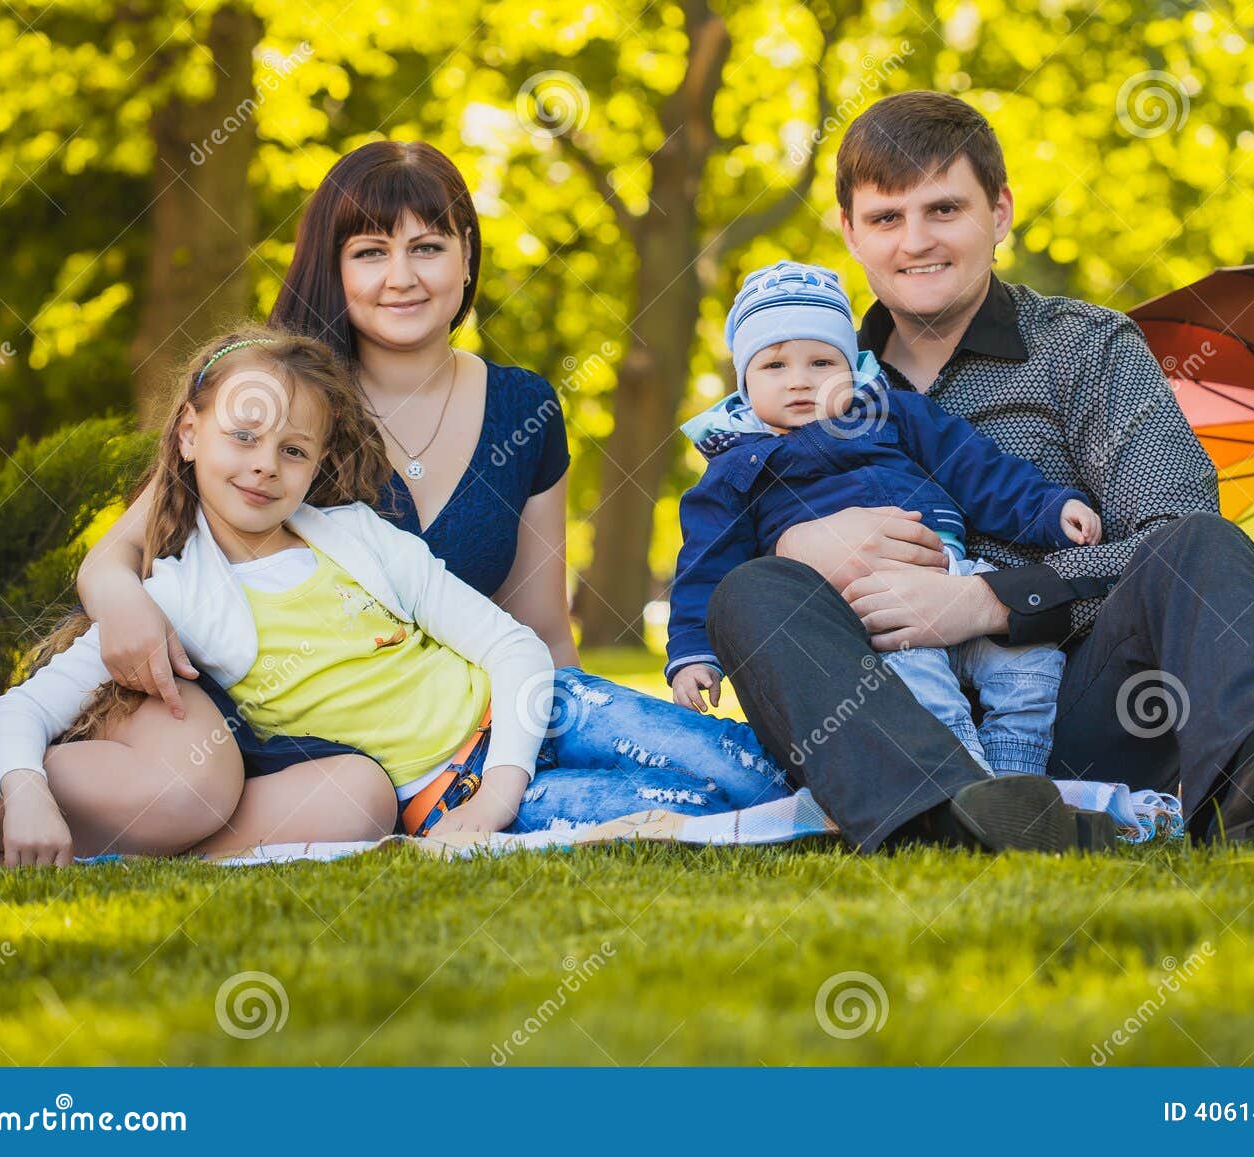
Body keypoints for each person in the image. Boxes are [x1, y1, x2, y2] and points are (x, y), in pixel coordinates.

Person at [704, 92, 1254, 854]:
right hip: (883, 712)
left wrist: (986, 602)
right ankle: (950, 817)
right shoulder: (792, 378)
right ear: (850, 231)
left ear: (999, 213)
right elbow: (719, 560)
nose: (915, 241)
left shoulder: (1088, 350)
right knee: (749, 588)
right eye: (886, 217)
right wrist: (794, 549)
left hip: (1079, 711)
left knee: (1201, 543)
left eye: (944, 209)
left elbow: (1165, 532)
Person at [47, 139, 783, 849]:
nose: (401, 276)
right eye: (370, 252)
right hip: (349, 760)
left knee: (733, 777)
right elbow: (117, 554)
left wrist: (564, 745)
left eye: (427, 247)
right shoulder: (282, 405)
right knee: (679, 810)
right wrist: (123, 603)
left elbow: (541, 628)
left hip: (507, 713)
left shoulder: (523, 409)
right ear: (333, 269)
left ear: (467, 258)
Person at [0, 328, 790, 869]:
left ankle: (870, 777)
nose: (265, 466)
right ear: (189, 433)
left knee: (748, 768)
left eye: (293, 450)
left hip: (544, 712)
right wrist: (25, 793)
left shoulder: (356, 536)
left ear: (316, 464)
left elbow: (513, 646)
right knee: (696, 815)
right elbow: (19, 713)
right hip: (443, 796)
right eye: (243, 437)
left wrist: (500, 791)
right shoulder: (177, 596)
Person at [668, 260, 1100, 790]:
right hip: (872, 611)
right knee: (923, 693)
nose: (800, 381)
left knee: (1032, 664)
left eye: (822, 362)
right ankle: (966, 789)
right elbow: (706, 568)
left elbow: (979, 471)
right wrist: (692, 653)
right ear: (744, 382)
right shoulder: (736, 469)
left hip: (956, 578)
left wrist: (1050, 509)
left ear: (850, 367)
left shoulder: (894, 414)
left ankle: (1018, 780)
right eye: (774, 365)